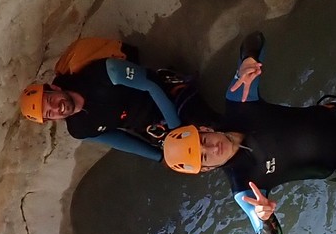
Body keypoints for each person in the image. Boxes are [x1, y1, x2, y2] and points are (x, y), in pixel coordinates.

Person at [161, 34, 336, 234]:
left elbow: (256, 38)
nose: (212, 147)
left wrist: (247, 61)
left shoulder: (239, 102)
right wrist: (265, 218)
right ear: (207, 169)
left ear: (204, 129)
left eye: (203, 140)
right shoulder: (244, 187)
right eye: (204, 156)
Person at [20, 37, 210, 161]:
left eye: (50, 100)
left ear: (54, 88)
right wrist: (159, 158)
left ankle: (174, 78)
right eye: (49, 114)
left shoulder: (101, 75)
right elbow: (119, 140)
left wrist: (177, 129)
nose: (55, 108)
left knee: (206, 124)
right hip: (149, 125)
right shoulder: (80, 129)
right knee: (193, 160)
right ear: (51, 120)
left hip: (161, 93)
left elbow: (151, 85)